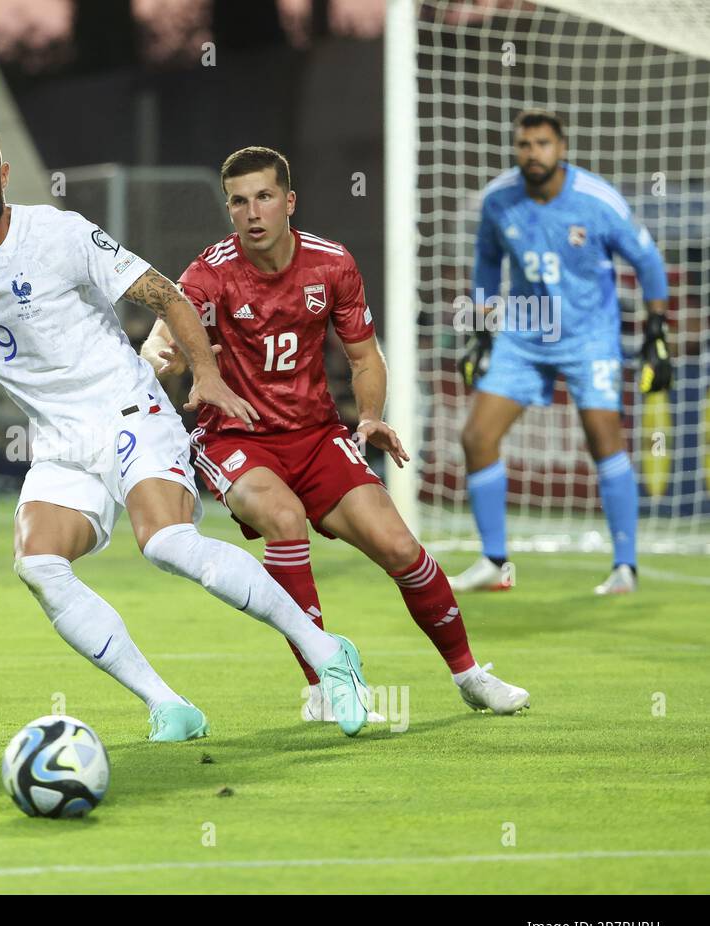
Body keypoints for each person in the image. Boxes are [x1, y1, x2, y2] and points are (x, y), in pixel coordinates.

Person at [0, 116, 374, 739]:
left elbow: (167, 296)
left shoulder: (60, 234)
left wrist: (206, 376)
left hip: (129, 411)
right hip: (59, 440)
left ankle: (325, 652)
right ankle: (167, 704)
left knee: (165, 544)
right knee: (39, 563)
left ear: (3, 176)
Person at [144, 146, 529, 719]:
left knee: (402, 549)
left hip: (317, 435)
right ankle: (325, 686)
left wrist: (369, 416)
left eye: (265, 197)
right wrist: (164, 360)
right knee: (283, 519)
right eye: (239, 201)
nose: (252, 213)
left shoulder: (332, 264)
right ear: (229, 210)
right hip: (236, 438)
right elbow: (161, 335)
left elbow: (365, 358)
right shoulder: (209, 272)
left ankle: (470, 675)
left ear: (289, 201)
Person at [453, 109, 670, 596]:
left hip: (589, 336)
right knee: (476, 437)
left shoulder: (597, 200)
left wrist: (656, 331)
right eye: (525, 144)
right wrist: (482, 330)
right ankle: (494, 562)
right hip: (524, 335)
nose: (533, 153)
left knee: (603, 439)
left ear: (562, 148)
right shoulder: (499, 200)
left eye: (543, 144)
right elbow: (487, 262)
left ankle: (625, 567)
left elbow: (648, 262)